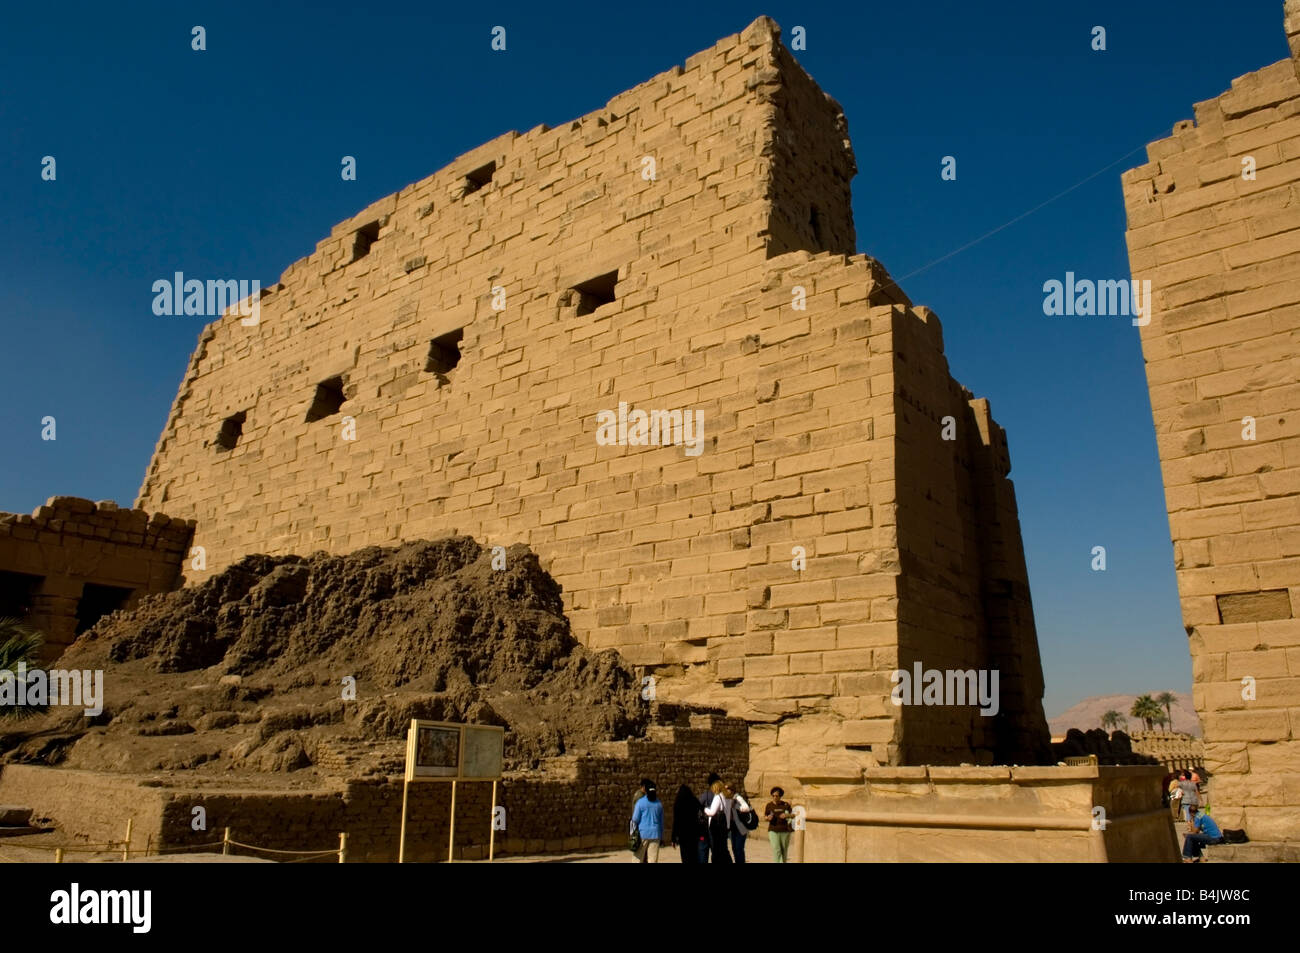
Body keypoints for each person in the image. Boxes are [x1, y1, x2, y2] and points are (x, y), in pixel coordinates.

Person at [630, 778, 663, 863]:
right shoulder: (659, 804)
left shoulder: (640, 802)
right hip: (655, 834)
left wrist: (632, 834)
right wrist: (661, 836)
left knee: (638, 859)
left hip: (643, 834)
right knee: (652, 860)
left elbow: (635, 819)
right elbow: (661, 822)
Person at [703, 779, 732, 863]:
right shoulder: (726, 797)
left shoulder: (717, 797)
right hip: (724, 827)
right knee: (723, 849)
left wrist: (705, 809)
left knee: (716, 850)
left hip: (716, 828)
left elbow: (712, 812)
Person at [764, 786, 794, 863]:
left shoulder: (785, 805)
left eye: (776, 796)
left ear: (780, 796)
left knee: (784, 851)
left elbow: (793, 815)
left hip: (784, 830)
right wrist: (768, 818)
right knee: (776, 850)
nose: (774, 797)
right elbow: (765, 816)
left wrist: (787, 815)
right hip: (773, 830)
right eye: (773, 795)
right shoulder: (769, 805)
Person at [671, 784, 699, 864]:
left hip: (683, 835)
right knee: (694, 856)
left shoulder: (678, 802)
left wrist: (673, 838)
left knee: (685, 856)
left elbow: (676, 821)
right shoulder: (694, 800)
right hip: (694, 833)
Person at [725, 784, 753, 863]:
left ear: (732, 790)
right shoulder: (727, 799)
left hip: (740, 828)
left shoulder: (738, 798)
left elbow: (746, 808)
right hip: (732, 828)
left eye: (727, 789)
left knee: (739, 849)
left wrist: (736, 806)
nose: (726, 791)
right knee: (734, 849)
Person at [697, 772, 720, 863]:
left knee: (703, 851)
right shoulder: (720, 795)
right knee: (716, 851)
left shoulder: (706, 795)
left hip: (704, 828)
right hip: (717, 827)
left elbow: (698, 805)